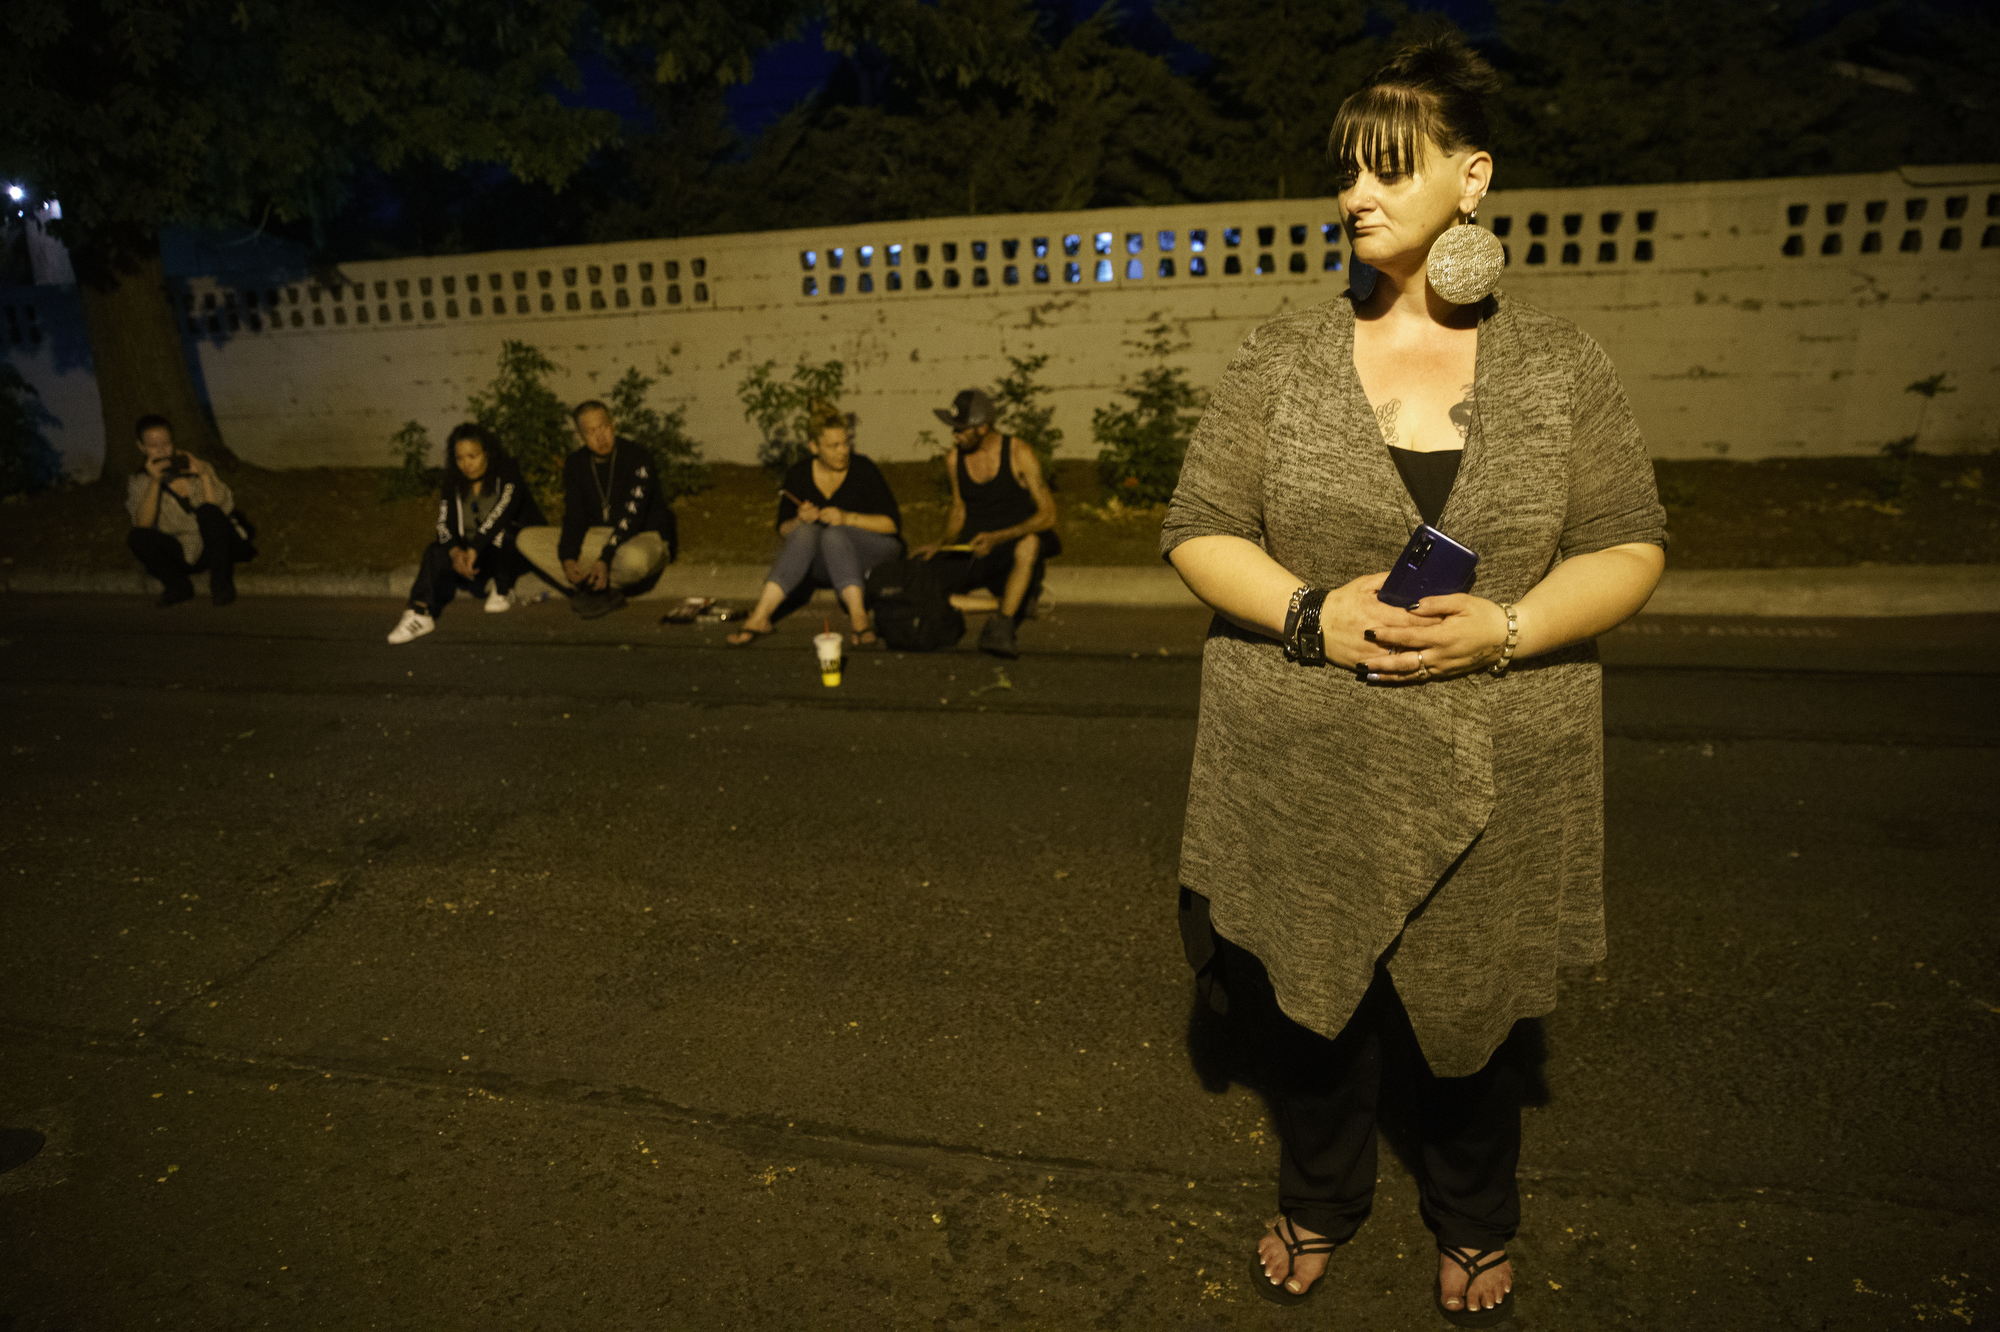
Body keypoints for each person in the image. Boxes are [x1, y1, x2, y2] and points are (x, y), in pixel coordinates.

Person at [1161, 35, 1666, 1326]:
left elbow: (1628, 544)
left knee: (1471, 1027)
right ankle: (1320, 1197)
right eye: (1346, 171)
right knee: (1310, 1022)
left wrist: (1508, 628)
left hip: (1497, 763)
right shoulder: (1280, 359)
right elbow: (1198, 526)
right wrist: (1308, 612)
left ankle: (1475, 1217)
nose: (1356, 194)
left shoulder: (1562, 367)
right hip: (1307, 760)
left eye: (1389, 168)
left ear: (1472, 178)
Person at [726, 401, 902, 647]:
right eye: (833, 446)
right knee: (806, 532)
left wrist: (847, 518)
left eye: (845, 443)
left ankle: (858, 617)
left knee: (834, 534)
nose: (843, 451)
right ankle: (760, 616)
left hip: (869, 554)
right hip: (828, 562)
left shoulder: (863, 469)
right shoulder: (799, 474)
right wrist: (799, 519)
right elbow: (783, 529)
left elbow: (892, 525)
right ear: (814, 447)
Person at [910, 388, 1060, 659]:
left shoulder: (1018, 453)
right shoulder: (954, 459)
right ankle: (1004, 602)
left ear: (982, 427)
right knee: (921, 582)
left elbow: (1048, 515)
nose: (954, 434)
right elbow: (959, 510)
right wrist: (941, 545)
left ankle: (1002, 626)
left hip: (1009, 547)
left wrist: (998, 537)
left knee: (1030, 544)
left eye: (960, 428)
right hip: (973, 548)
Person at [386, 424, 546, 645]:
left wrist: (474, 548)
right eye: (460, 458)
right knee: (435, 551)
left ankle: (503, 588)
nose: (466, 464)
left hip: (512, 550)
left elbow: (502, 514)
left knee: (504, 534)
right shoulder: (453, 482)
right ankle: (419, 613)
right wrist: (455, 552)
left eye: (473, 456)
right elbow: (444, 523)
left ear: (487, 452)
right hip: (475, 554)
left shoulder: (507, 473)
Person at [517, 400, 677, 618]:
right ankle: (598, 585)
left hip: (640, 537)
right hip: (600, 537)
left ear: (613, 425)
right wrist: (568, 558)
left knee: (634, 560)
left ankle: (594, 585)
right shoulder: (575, 464)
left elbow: (633, 517)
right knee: (526, 539)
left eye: (604, 428)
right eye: (591, 432)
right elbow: (574, 517)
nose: (601, 437)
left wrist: (605, 558)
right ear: (580, 437)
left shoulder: (637, 457)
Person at [125, 414, 252, 607]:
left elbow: (219, 511)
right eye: (153, 445)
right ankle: (178, 587)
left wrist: (203, 475)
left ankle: (221, 587)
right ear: (141, 447)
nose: (161, 450)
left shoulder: (197, 467)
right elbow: (143, 524)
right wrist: (155, 482)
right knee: (137, 537)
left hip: (213, 545)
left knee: (208, 511)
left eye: (166, 443)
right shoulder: (139, 481)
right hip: (180, 549)